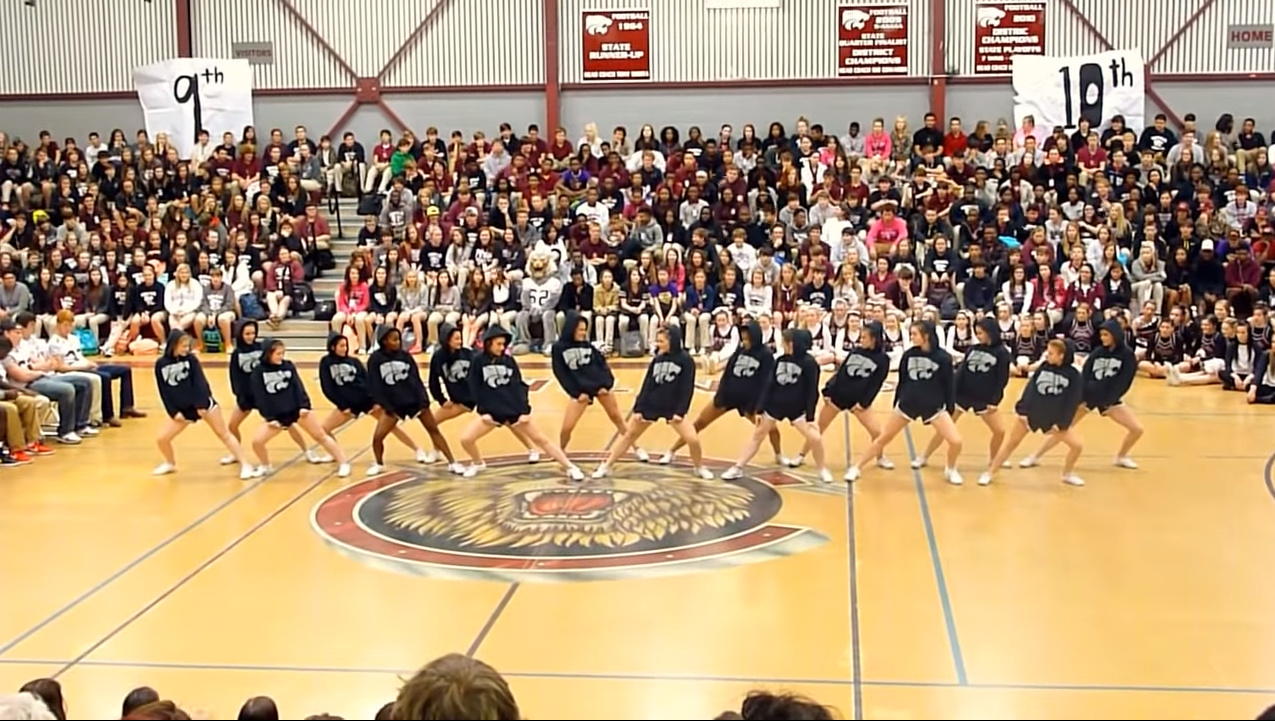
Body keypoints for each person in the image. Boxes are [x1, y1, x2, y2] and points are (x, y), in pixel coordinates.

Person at [458, 326, 584, 480]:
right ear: (488, 343)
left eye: (504, 344)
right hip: (491, 413)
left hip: (514, 411)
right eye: (499, 344)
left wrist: (524, 411)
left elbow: (519, 386)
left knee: (542, 440)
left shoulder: (509, 361)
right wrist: (483, 412)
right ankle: (478, 463)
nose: (502, 347)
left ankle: (570, 467)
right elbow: (475, 388)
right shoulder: (478, 361)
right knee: (466, 439)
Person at [845, 320, 963, 484]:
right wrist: (897, 403)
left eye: (914, 334)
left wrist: (949, 409)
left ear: (926, 336)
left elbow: (949, 386)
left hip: (933, 406)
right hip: (908, 403)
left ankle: (951, 469)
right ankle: (856, 467)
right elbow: (903, 380)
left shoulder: (943, 358)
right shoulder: (909, 355)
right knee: (884, 438)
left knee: (956, 441)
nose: (911, 337)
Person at [593, 326, 713, 480]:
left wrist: (680, 412)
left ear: (672, 341)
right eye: (657, 341)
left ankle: (698, 467)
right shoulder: (657, 359)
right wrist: (638, 409)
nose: (658, 344)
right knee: (629, 436)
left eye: (661, 341)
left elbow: (687, 388)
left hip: (673, 408)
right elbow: (647, 384)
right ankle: (607, 466)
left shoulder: (686, 360)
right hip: (652, 405)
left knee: (693, 439)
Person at [1021, 319, 1143, 469]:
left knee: (1137, 429)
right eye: (1101, 335)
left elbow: (1124, 381)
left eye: (1106, 335)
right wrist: (1082, 396)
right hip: (1088, 398)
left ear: (1115, 335)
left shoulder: (1127, 355)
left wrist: (1109, 398)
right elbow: (1085, 375)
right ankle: (1035, 456)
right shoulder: (1098, 352)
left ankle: (1121, 457)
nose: (1103, 338)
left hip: (1109, 400)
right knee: (1062, 428)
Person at [659, 320, 784, 465]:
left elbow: (765, 383)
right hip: (727, 396)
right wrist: (720, 392)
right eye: (743, 338)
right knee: (699, 423)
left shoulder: (766, 355)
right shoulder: (740, 350)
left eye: (747, 338)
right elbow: (728, 371)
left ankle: (779, 454)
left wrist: (759, 408)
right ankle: (672, 451)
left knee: (772, 428)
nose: (745, 341)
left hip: (750, 401)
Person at [721, 329, 831, 482]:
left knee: (815, 438)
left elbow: (812, 391)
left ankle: (821, 469)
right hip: (774, 405)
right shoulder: (779, 360)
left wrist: (810, 417)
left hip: (797, 409)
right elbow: (768, 385)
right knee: (757, 435)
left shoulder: (810, 364)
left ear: (792, 343)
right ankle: (738, 467)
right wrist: (759, 409)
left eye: (784, 342)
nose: (782, 345)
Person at [153, 330, 258, 479]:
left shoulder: (191, 360)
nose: (186, 349)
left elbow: (200, 384)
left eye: (188, 346)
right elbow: (164, 391)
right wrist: (174, 412)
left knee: (224, 434)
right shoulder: (161, 364)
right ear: (173, 345)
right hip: (183, 410)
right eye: (183, 346)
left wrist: (201, 405)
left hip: (204, 406)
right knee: (162, 439)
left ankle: (245, 464)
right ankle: (170, 463)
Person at [794, 320, 893, 479]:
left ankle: (880, 457)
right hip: (838, 396)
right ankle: (801, 455)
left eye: (865, 337)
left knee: (877, 432)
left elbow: (876, 384)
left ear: (874, 339)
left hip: (858, 402)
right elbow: (841, 373)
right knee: (819, 427)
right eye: (861, 337)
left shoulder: (883, 359)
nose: (861, 340)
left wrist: (864, 403)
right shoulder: (855, 352)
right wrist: (827, 390)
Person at [224, 319, 329, 467]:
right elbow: (235, 377)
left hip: (266, 394)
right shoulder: (237, 354)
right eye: (247, 333)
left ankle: (307, 450)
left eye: (253, 333)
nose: (250, 336)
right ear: (240, 334)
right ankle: (235, 453)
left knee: (289, 424)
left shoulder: (261, 348)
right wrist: (240, 395)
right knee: (232, 425)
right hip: (248, 396)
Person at [428, 323, 540, 461]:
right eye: (456, 339)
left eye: (460, 338)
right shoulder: (438, 358)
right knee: (432, 422)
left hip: (481, 396)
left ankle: (532, 448)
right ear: (446, 340)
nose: (460, 341)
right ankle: (437, 450)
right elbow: (433, 381)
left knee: (509, 421)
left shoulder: (469, 354)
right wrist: (442, 400)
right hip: (463, 401)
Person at [982, 338, 1086, 486]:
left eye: (1050, 353)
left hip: (1054, 419)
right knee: (1011, 443)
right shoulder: (1043, 367)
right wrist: (1022, 411)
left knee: (1077, 446)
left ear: (1061, 355)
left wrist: (1061, 423)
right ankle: (990, 472)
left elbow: (1071, 402)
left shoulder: (1074, 376)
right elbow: (1030, 390)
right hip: (1031, 414)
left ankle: (1067, 474)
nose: (1047, 355)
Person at [317, 332, 432, 463]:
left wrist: (376, 401)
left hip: (368, 401)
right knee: (323, 429)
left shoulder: (354, 362)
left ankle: (418, 449)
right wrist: (342, 405)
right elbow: (328, 387)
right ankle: (334, 454)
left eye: (345, 345)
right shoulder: (325, 363)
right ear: (332, 347)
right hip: (348, 405)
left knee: (392, 427)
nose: (344, 348)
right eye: (341, 346)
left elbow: (369, 381)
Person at [916, 317, 1011, 470]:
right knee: (944, 429)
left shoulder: (1002, 353)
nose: (978, 336)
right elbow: (961, 373)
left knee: (999, 431)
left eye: (980, 333)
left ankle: (994, 459)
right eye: (976, 333)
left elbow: (1002, 379)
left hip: (984, 398)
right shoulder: (973, 349)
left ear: (990, 332)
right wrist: (951, 394)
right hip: (962, 395)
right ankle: (924, 456)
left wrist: (995, 401)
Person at [366, 326, 463, 475]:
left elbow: (416, 381)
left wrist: (423, 401)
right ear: (384, 341)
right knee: (378, 437)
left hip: (414, 401)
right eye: (394, 339)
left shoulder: (405, 356)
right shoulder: (375, 360)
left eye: (398, 339)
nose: (398, 342)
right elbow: (374, 384)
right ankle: (379, 464)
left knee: (433, 430)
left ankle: (452, 462)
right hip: (393, 405)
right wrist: (383, 404)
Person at [248, 339, 350, 477]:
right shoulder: (258, 372)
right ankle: (266, 466)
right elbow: (261, 397)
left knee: (320, 436)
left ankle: (343, 463)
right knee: (257, 442)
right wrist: (270, 418)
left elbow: (298, 386)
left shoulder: (288, 366)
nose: (281, 357)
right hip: (277, 416)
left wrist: (304, 406)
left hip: (297, 410)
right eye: (278, 354)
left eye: (283, 353)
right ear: (268, 354)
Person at [550, 311, 646, 455]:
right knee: (567, 427)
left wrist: (606, 385)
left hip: (599, 386)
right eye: (580, 329)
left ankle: (636, 448)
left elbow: (602, 365)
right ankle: (561, 451)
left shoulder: (587, 346)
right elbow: (561, 374)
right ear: (571, 328)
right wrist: (576, 393)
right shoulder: (558, 348)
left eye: (584, 329)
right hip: (580, 391)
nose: (583, 333)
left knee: (617, 418)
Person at [46, 309, 144, 427]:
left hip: (85, 365)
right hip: (73, 370)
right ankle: (108, 415)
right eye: (65, 325)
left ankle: (127, 407)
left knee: (124, 370)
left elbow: (79, 356)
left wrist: (89, 364)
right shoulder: (54, 342)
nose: (68, 328)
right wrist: (82, 367)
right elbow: (60, 367)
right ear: (58, 325)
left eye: (70, 325)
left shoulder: (74, 338)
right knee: (105, 377)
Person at [1, 316, 90, 444]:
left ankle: (80, 425)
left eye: (21, 332)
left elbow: (40, 362)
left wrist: (37, 369)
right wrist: (39, 370)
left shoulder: (23, 346)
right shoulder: (5, 353)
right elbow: (22, 376)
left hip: (41, 376)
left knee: (83, 383)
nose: (20, 336)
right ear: (6, 333)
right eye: (17, 333)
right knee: (67, 390)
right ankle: (66, 431)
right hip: (27, 384)